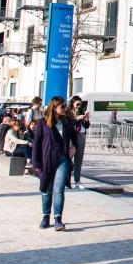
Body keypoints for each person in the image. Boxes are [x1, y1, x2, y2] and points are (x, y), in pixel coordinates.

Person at [31, 96, 78, 231]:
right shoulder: (42, 123)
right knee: (47, 189)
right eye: (62, 106)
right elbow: (36, 145)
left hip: (62, 159)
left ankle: (58, 219)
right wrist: (36, 165)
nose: (65, 108)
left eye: (65, 106)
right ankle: (46, 216)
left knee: (59, 190)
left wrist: (74, 148)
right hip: (47, 160)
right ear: (54, 107)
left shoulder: (68, 122)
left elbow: (74, 139)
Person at [67, 96, 90, 189]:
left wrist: (86, 119)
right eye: (77, 104)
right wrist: (76, 119)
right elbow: (68, 124)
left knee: (79, 159)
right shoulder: (68, 112)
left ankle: (77, 181)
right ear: (72, 103)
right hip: (71, 136)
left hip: (81, 135)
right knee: (68, 159)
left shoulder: (81, 111)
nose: (79, 106)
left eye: (81, 104)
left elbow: (86, 126)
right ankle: (66, 180)